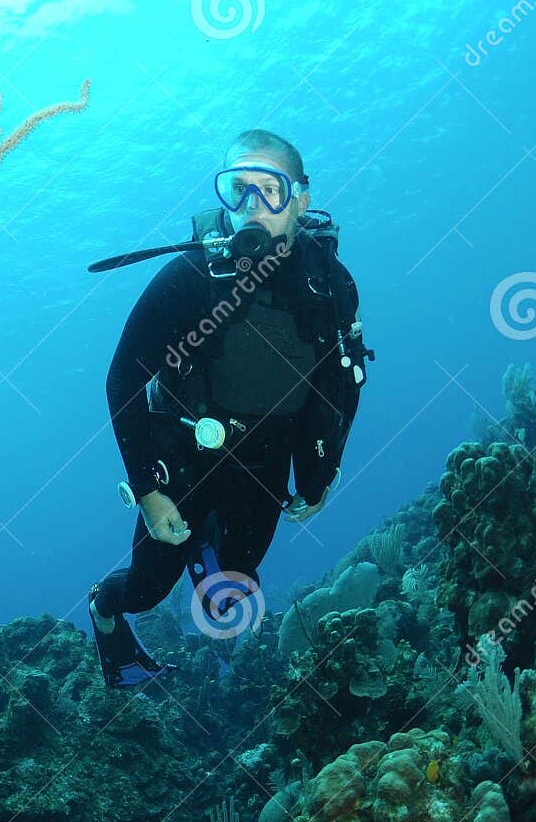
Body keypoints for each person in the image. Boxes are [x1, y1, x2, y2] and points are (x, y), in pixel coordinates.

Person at [88, 130, 371, 688]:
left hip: (265, 466)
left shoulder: (330, 285)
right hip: (184, 463)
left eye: (271, 191)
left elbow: (345, 379)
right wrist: (148, 492)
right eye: (237, 190)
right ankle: (104, 608)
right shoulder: (191, 277)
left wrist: (324, 471)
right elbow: (122, 378)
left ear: (301, 201)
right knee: (145, 591)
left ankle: (206, 543)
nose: (253, 208)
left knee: (234, 588)